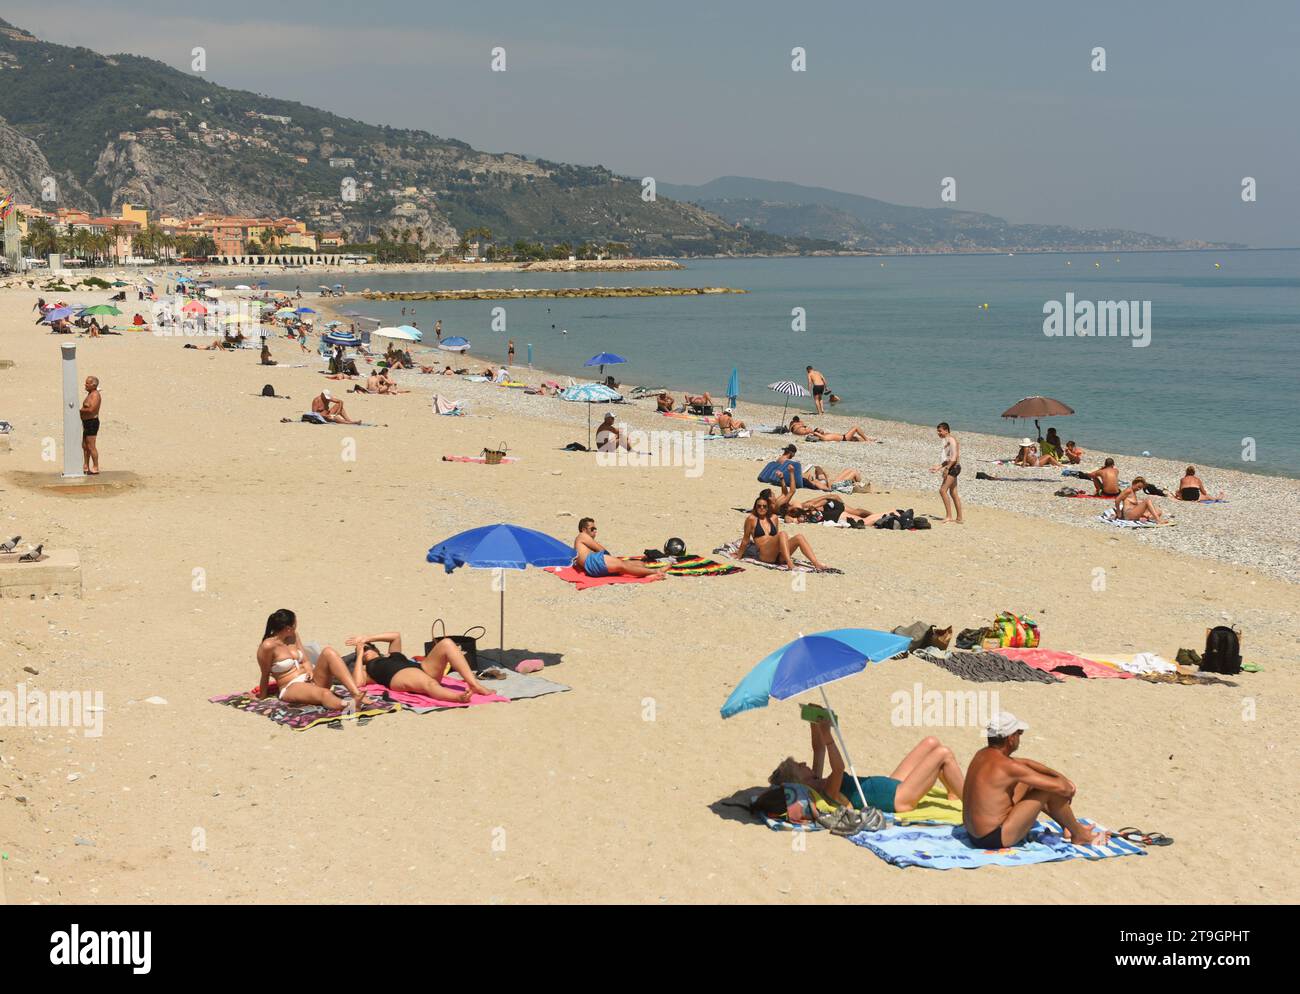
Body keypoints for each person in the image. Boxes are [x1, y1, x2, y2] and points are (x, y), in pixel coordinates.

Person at [963, 712, 1107, 849]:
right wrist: (1065, 783)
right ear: (1010, 738)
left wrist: (1059, 776)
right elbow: (1064, 789)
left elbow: (1024, 763)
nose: (1020, 737)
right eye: (1019, 733)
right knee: (1047, 790)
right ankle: (1080, 835)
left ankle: (1069, 827)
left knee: (1029, 783)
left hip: (974, 835)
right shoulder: (1009, 767)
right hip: (993, 838)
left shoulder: (982, 755)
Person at [255, 609, 376, 710]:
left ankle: (356, 693)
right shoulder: (268, 646)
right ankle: (349, 706)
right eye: (295, 624)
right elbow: (265, 674)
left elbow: (306, 660)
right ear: (287, 628)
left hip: (312, 679)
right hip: (290, 686)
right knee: (325, 694)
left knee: (328, 652)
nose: (296, 626)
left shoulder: (293, 635)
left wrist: (309, 670)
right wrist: (262, 696)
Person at [345, 630, 489, 701]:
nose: (365, 651)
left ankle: (473, 684)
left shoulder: (392, 654)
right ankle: (457, 697)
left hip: (421, 668)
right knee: (429, 683)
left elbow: (396, 635)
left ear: (376, 650)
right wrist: (358, 656)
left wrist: (366, 638)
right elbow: (358, 683)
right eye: (363, 651)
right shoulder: (367, 669)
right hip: (399, 676)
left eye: (367, 648)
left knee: (447, 644)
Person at [740, 493, 828, 570]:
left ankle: (816, 563)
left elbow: (777, 539)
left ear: (768, 507)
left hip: (779, 555)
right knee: (782, 533)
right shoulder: (751, 519)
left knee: (799, 537)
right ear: (755, 507)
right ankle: (790, 563)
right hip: (765, 554)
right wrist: (739, 555)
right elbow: (745, 540)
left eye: (764, 506)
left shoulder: (774, 518)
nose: (761, 508)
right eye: (759, 506)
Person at [573, 518, 664, 579]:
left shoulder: (580, 542)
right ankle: (655, 571)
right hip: (594, 562)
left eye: (595, 529)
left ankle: (646, 570)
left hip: (591, 568)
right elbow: (601, 550)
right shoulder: (582, 535)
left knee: (634, 563)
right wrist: (609, 558)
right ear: (584, 529)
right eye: (592, 529)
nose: (595, 531)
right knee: (622, 566)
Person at [930, 422, 963, 523]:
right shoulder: (946, 441)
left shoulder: (951, 440)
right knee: (953, 493)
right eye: (938, 431)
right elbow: (948, 459)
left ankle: (949, 516)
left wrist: (947, 468)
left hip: (954, 468)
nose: (938, 433)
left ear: (946, 430)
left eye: (940, 431)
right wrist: (939, 467)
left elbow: (953, 458)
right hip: (953, 467)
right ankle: (959, 518)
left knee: (942, 490)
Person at [79, 376, 101, 475]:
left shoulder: (95, 395)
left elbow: (92, 409)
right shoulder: (90, 394)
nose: (85, 385)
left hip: (92, 421)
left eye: (87, 383)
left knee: (91, 446)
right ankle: (86, 465)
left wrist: (80, 410)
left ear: (94, 385)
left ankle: (95, 466)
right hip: (86, 422)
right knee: (84, 445)